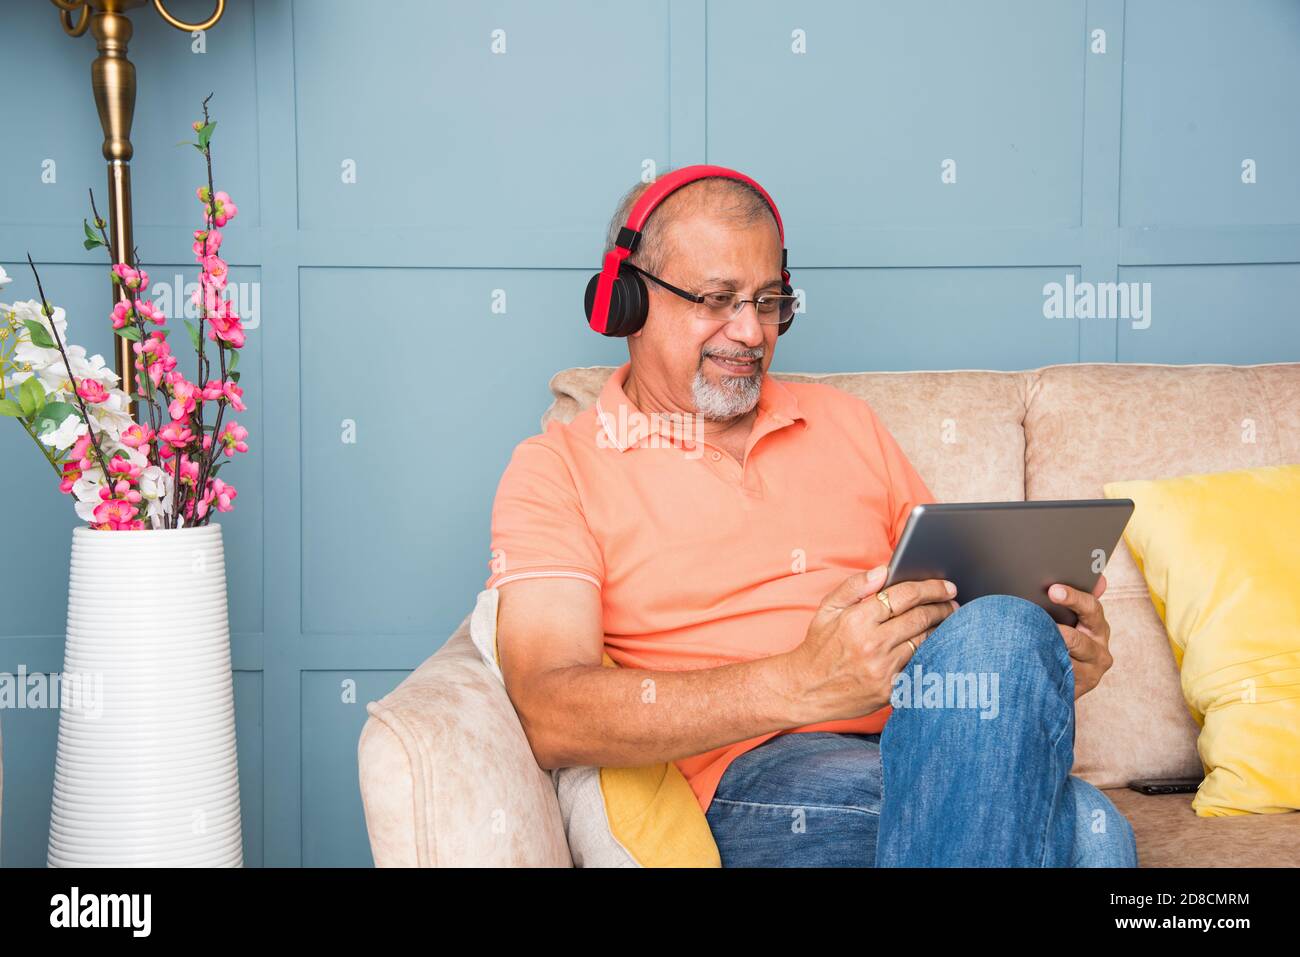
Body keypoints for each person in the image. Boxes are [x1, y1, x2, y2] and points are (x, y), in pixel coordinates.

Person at [484, 166, 1137, 867]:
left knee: (1008, 629)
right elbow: (550, 709)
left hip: (917, 735)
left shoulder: (845, 423)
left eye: (769, 302)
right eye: (717, 299)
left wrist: (1044, 662)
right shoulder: (560, 468)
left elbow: (958, 613)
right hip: (750, 778)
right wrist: (798, 680)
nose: (751, 331)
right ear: (628, 302)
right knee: (1091, 834)